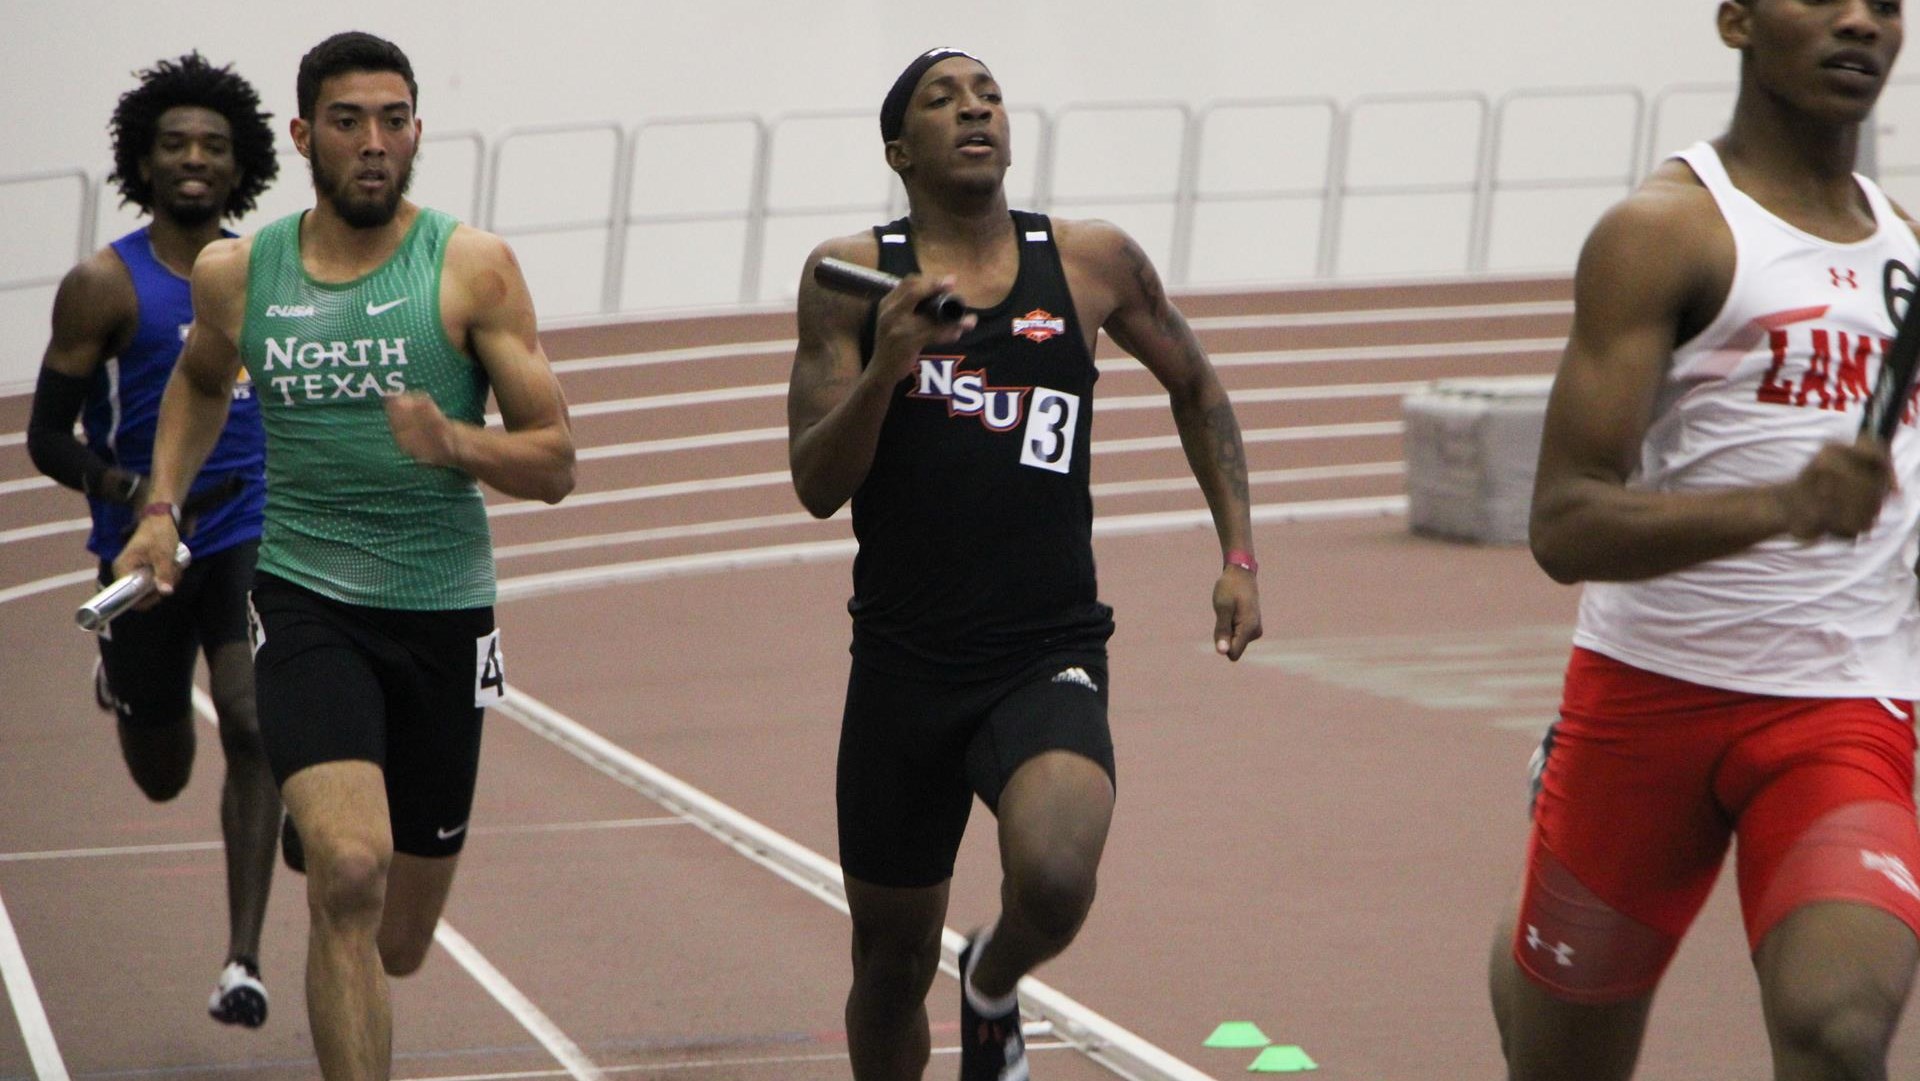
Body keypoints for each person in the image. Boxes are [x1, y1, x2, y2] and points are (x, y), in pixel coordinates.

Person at [787, 47, 1262, 1081]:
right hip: (904, 668)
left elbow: (1198, 387)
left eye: (990, 96)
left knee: (1053, 877)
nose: (976, 110)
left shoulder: (1090, 262)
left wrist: (1238, 553)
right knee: (888, 965)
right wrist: (888, 364)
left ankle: (994, 977)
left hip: (1045, 650)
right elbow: (817, 482)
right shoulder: (849, 278)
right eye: (944, 100)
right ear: (899, 150)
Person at [115, 31, 574, 1081]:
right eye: (349, 121)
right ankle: (327, 828)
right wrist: (161, 507)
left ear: (415, 132)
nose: (374, 141)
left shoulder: (469, 267)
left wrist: (455, 441)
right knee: (351, 873)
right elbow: (201, 381)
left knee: (399, 939)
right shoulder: (241, 272)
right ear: (302, 135)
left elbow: (555, 461)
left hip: (444, 611)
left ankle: (331, 825)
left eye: (393, 120)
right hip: (307, 597)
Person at [1489, 2, 1920, 1079]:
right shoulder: (1666, 232)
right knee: (1562, 1064)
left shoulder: (1908, 249)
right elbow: (1565, 521)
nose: (1860, 22)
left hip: (1844, 707)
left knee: (1839, 1029)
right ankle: (1539, 896)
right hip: (1647, 704)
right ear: (1736, 21)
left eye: (1886, 4)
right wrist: (1785, 507)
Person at [26, 52, 281, 1028]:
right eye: (175, 144)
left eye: (214, 145)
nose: (195, 159)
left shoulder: (266, 273)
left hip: (251, 524)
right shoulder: (104, 285)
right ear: (143, 160)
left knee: (253, 721)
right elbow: (46, 436)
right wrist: (131, 490)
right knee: (162, 772)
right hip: (145, 547)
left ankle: (242, 961)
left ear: (241, 164)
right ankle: (124, 678)